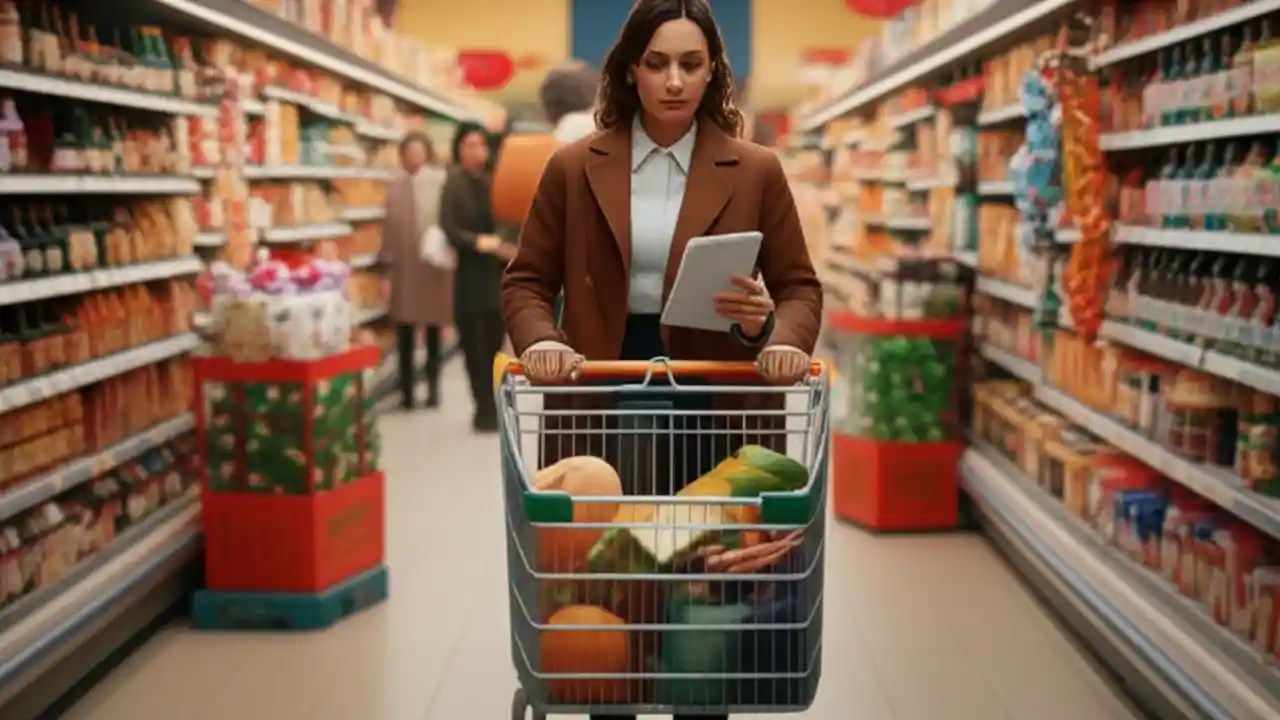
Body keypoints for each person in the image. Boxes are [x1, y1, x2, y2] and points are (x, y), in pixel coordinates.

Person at [501, 1, 822, 718]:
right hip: (600, 389)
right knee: (605, 587)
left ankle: (694, 702)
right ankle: (609, 700)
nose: (674, 81)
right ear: (630, 71)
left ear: (714, 72)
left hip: (714, 398)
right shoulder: (574, 165)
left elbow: (799, 286)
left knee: (696, 583)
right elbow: (526, 280)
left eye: (691, 64)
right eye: (657, 64)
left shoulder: (757, 171)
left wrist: (776, 338)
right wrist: (542, 341)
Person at [440, 122, 513, 432]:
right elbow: (449, 228)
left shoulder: (492, 180)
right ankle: (482, 407)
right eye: (470, 145)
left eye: (481, 145)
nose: (476, 151)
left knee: (495, 340)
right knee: (475, 343)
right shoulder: (453, 183)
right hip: (470, 274)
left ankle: (495, 404)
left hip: (495, 275)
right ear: (459, 148)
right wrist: (477, 242)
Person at [381, 132, 450, 410]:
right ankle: (407, 391)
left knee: (433, 329)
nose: (415, 156)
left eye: (419, 151)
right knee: (406, 331)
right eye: (410, 152)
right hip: (404, 269)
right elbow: (388, 227)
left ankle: (433, 388)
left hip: (431, 266)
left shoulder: (439, 182)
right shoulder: (395, 187)